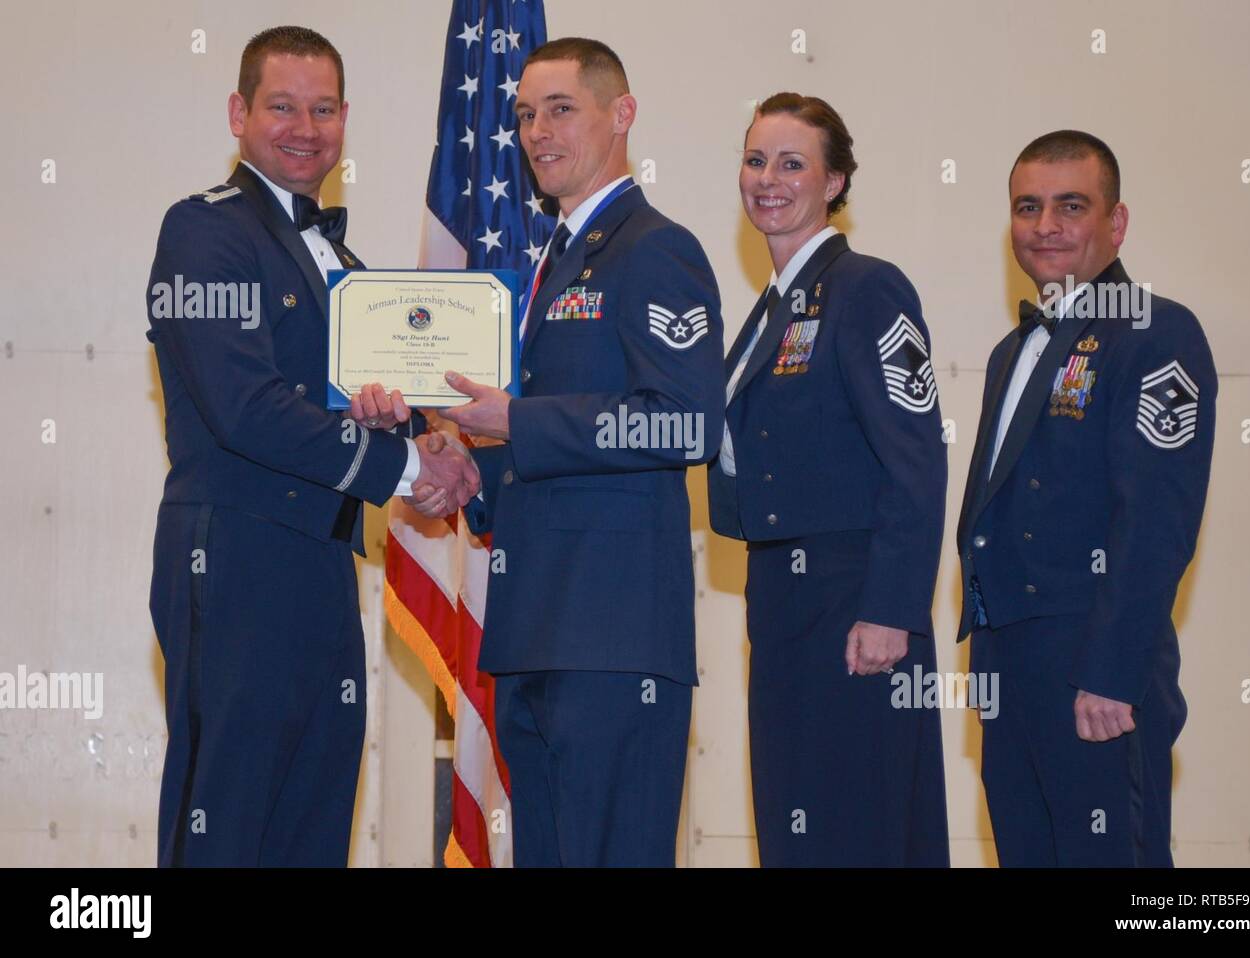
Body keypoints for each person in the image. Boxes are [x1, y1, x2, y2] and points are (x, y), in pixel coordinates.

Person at [146, 25, 478, 867]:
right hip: (235, 557)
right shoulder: (204, 232)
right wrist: (412, 467)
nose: (305, 128)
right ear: (238, 113)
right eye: (282, 107)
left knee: (314, 815)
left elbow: (356, 408)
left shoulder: (344, 262)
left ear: (345, 120)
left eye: (323, 109)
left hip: (325, 561)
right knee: (227, 814)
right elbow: (245, 408)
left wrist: (420, 432)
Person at [414, 37, 725, 867]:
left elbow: (686, 423)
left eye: (560, 110)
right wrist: (469, 475)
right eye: (524, 116)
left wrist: (519, 421)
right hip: (536, 633)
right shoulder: (556, 261)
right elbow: (551, 444)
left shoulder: (655, 248)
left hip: (614, 642)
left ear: (622, 114)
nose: (537, 133)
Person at [956, 130, 1216, 866]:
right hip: (1011, 670)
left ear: (1116, 222)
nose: (1045, 226)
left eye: (1071, 206)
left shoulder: (1156, 332)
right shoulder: (1013, 352)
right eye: (1027, 207)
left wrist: (1111, 674)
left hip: (1094, 673)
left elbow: (1157, 524)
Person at [706, 93, 950, 866]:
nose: (767, 180)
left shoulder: (867, 289)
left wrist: (891, 611)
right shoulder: (767, 313)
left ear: (835, 182)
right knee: (797, 828)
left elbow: (917, 458)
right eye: (755, 161)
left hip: (855, 608)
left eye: (792, 164)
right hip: (783, 606)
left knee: (859, 827)